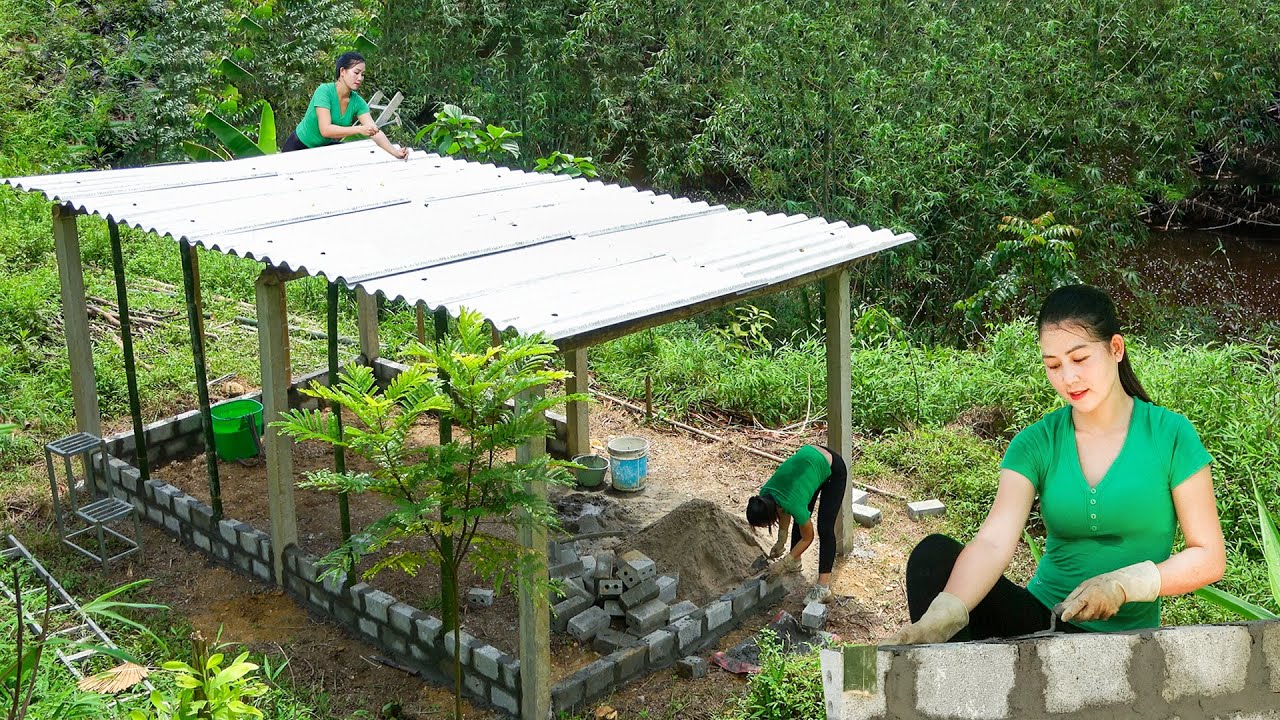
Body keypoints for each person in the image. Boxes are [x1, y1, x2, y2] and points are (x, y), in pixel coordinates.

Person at [884, 284, 1225, 645]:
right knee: (933, 556)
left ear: (1115, 348)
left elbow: (1208, 556)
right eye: (1054, 365)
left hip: (1127, 645)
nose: (1068, 378)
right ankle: (945, 673)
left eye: (1080, 359)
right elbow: (994, 542)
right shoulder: (1037, 442)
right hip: (1042, 623)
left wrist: (1125, 584)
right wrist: (942, 616)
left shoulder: (1170, 435)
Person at [746, 444, 848, 604]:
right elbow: (782, 508)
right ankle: (795, 561)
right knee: (799, 519)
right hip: (808, 464)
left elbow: (808, 537)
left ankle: (823, 587)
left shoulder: (793, 504)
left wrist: (784, 563)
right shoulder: (765, 495)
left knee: (825, 528)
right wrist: (781, 540)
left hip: (832, 467)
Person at [283, 51, 409, 160]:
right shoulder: (324, 91)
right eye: (356, 72)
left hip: (321, 149)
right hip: (298, 146)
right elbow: (325, 130)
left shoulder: (358, 102)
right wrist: (359, 129)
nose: (360, 78)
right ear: (342, 71)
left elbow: (374, 131)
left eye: (362, 74)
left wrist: (395, 152)